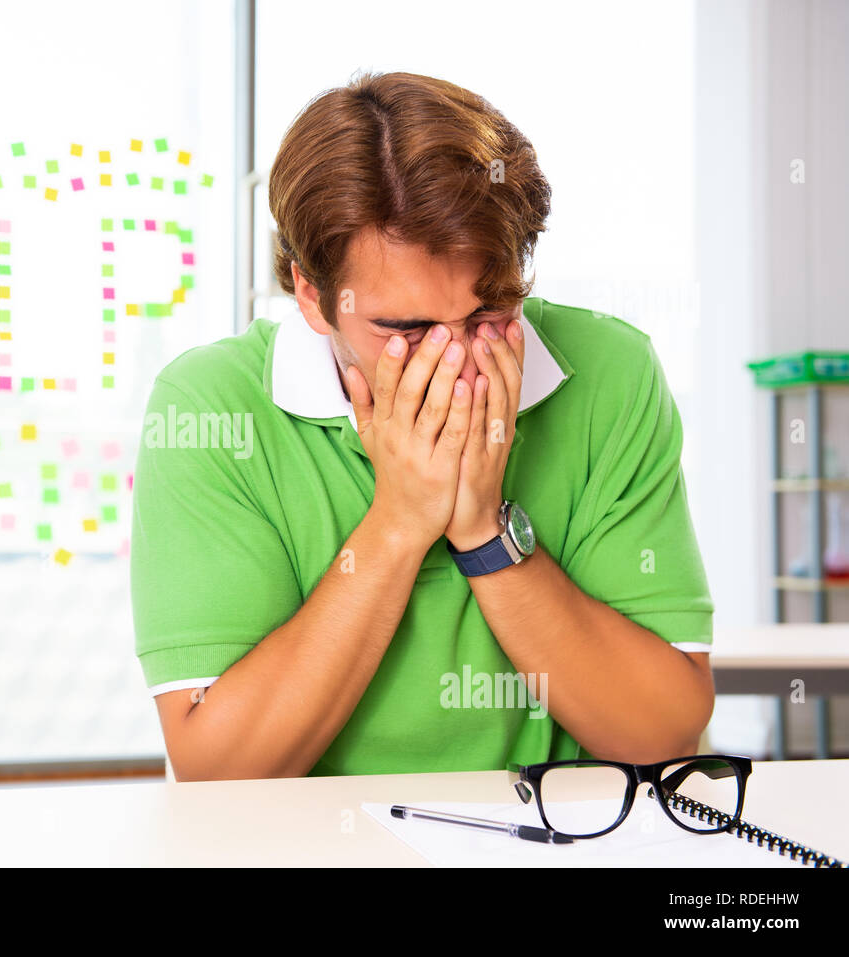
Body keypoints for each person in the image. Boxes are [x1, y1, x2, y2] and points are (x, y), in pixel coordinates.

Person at [130, 71, 714, 781]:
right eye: (404, 327)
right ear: (312, 296)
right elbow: (220, 772)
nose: (458, 360)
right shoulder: (210, 406)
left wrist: (484, 531)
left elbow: (662, 733)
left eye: (489, 312)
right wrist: (401, 519)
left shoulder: (610, 373)